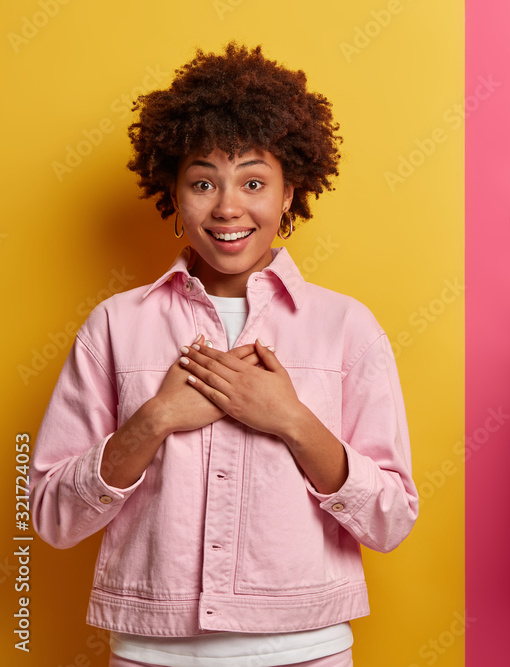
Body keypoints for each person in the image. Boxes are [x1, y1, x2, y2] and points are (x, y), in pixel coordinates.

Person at [29, 43, 418, 667]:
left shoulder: (347, 327)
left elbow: (391, 519)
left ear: (290, 192)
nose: (229, 207)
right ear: (175, 193)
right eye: (203, 181)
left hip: (306, 651)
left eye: (254, 182)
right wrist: (154, 420)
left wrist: (290, 419)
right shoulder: (114, 325)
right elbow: (50, 517)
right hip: (150, 654)